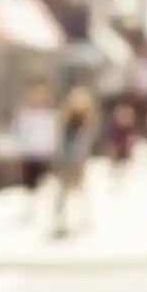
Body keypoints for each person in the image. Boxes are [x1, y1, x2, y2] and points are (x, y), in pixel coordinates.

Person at [54, 86, 99, 238]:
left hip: (73, 160)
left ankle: (75, 219)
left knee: (70, 191)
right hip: (70, 160)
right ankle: (66, 220)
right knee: (68, 192)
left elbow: (81, 143)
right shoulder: (69, 121)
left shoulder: (82, 122)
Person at [12, 79, 59, 221]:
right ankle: (30, 211)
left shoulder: (51, 114)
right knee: (30, 187)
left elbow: (55, 134)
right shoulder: (24, 114)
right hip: (30, 154)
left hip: (47, 155)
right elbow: (17, 132)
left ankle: (51, 212)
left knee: (49, 185)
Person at [106, 101, 138, 189]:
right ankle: (114, 179)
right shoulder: (115, 124)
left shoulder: (127, 125)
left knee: (123, 165)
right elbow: (112, 137)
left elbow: (130, 134)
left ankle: (121, 179)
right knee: (115, 165)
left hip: (124, 146)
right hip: (117, 146)